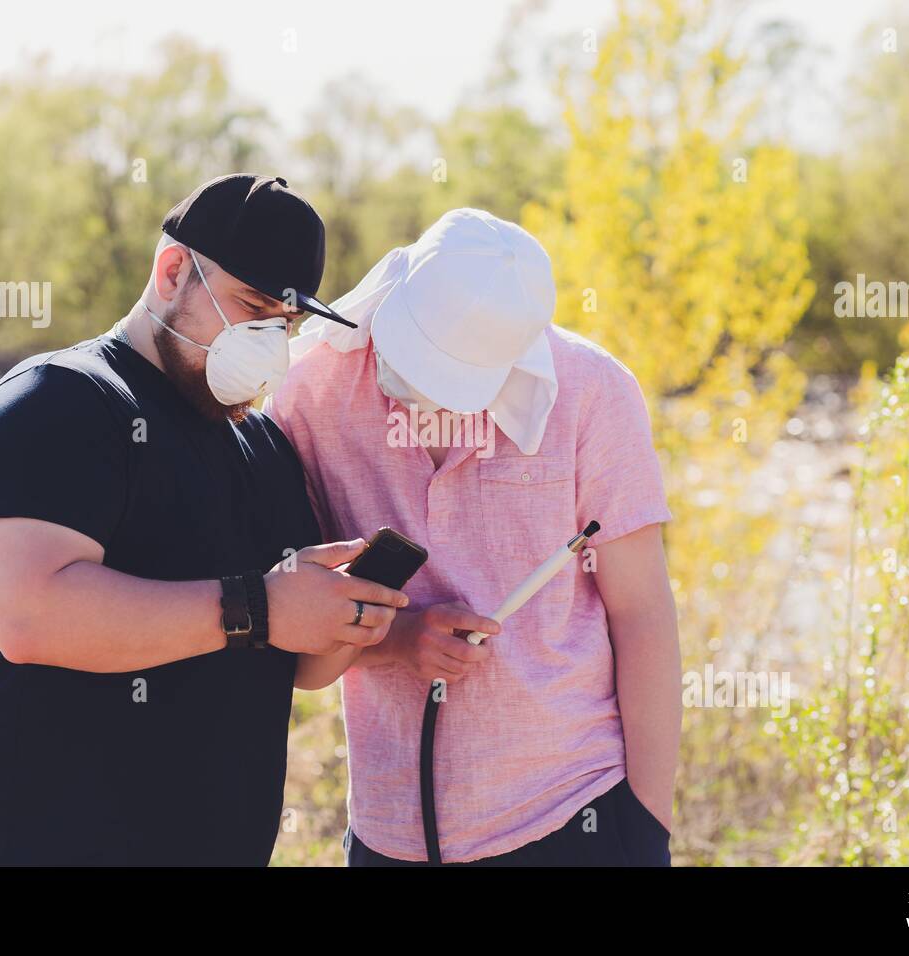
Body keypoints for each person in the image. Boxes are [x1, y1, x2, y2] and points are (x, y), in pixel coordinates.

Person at [0, 174, 408, 866]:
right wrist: (262, 605)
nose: (269, 341)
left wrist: (349, 614)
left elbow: (300, 665)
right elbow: (32, 617)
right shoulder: (57, 400)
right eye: (252, 307)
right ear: (173, 270)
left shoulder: (265, 446)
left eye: (287, 325)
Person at [267, 207, 682, 866]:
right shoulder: (307, 393)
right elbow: (287, 617)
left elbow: (643, 615)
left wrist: (648, 826)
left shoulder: (595, 393)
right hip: (390, 827)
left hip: (576, 813)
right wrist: (401, 638)